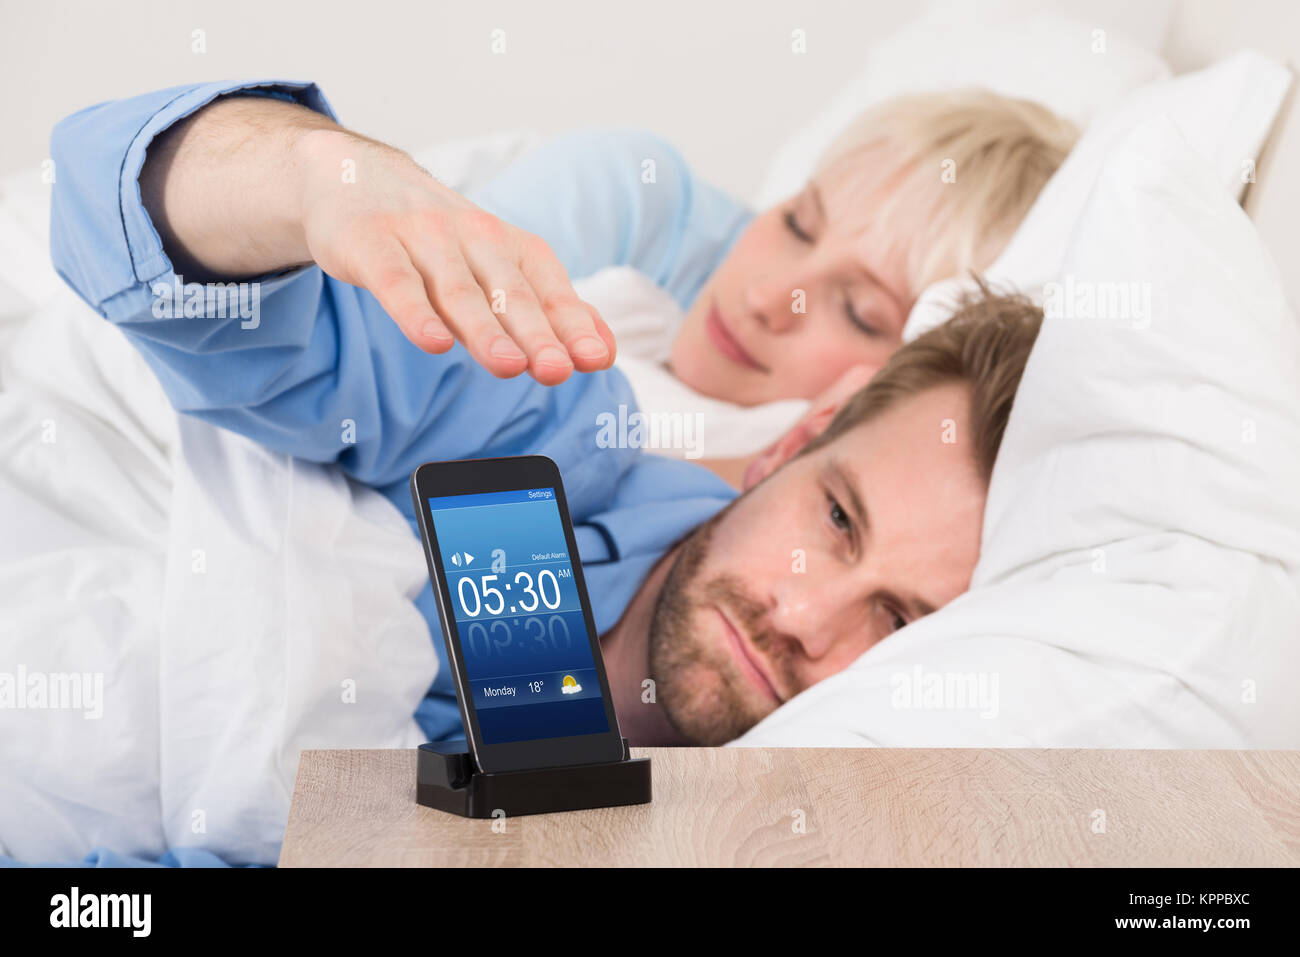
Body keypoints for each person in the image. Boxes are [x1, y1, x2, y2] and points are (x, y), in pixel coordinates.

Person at [50, 80, 1039, 744]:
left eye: (899, 620)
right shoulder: (546, 435)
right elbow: (148, 244)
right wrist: (312, 175)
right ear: (800, 436)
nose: (801, 613)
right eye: (834, 519)